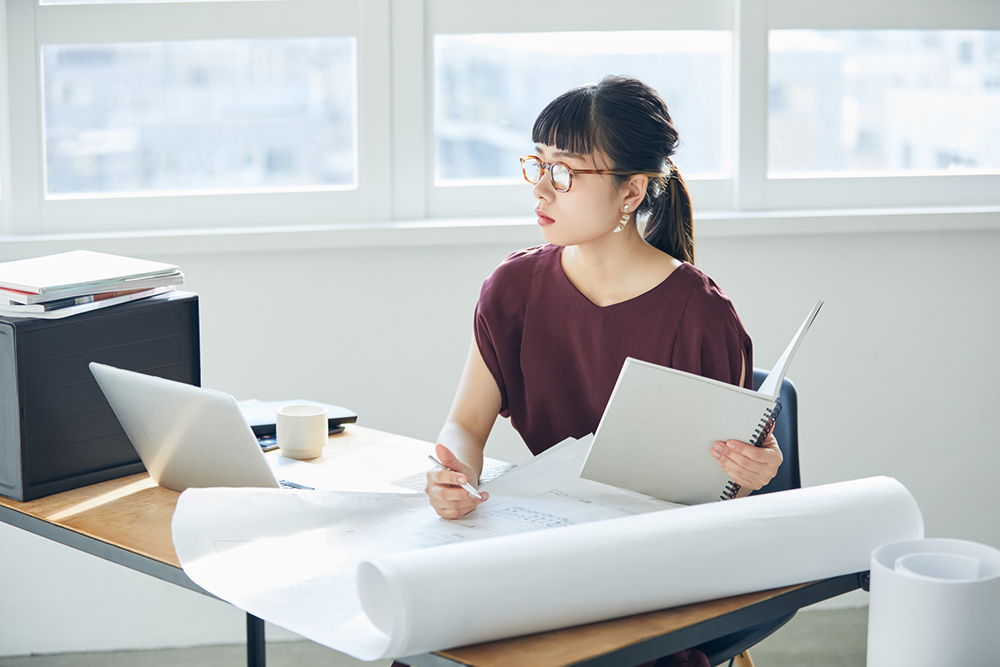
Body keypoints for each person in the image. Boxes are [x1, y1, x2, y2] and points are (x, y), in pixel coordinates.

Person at [422, 75, 783, 667]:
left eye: (564, 172)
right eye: (537, 164)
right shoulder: (512, 289)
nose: (540, 188)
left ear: (632, 191)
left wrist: (751, 472)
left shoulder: (701, 314)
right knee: (435, 638)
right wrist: (453, 473)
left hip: (650, 567)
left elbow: (717, 491)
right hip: (545, 536)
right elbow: (466, 421)